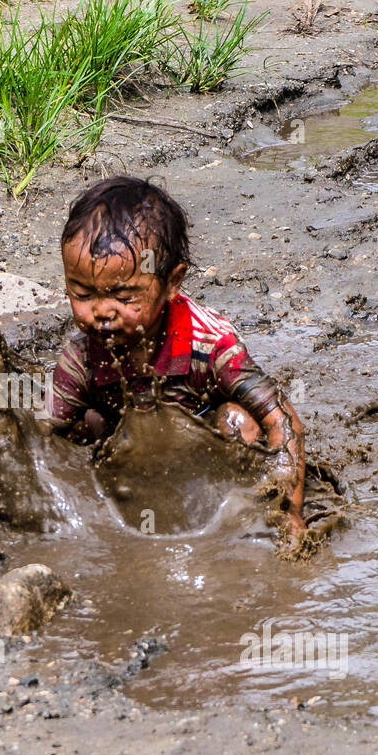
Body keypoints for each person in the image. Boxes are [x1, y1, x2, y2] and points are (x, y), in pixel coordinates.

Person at [48, 176, 306, 534]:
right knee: (81, 429)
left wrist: (288, 510)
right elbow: (43, 436)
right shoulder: (81, 359)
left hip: (205, 450)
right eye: (82, 294)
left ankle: (235, 517)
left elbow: (283, 421)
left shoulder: (211, 345)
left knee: (239, 420)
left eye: (124, 297)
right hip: (128, 455)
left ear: (172, 283)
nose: (102, 312)